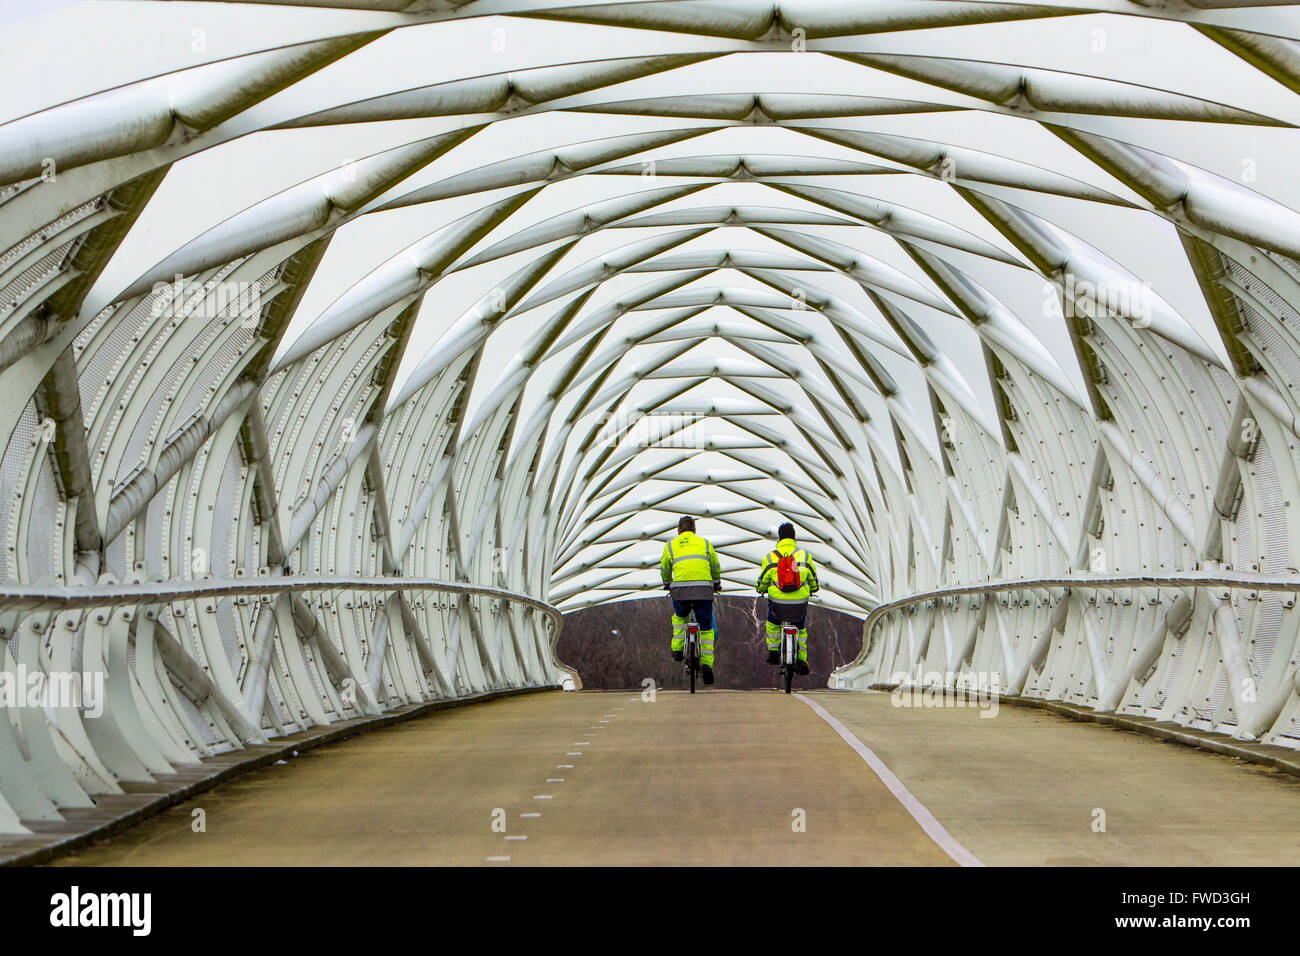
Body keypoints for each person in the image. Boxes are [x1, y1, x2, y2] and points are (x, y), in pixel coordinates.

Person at [660, 515, 722, 684]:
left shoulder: (671, 545)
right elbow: (715, 567)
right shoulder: (706, 544)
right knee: (707, 627)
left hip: (680, 592)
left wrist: (667, 583)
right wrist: (716, 584)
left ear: (678, 531)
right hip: (703, 591)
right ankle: (707, 664)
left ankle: (678, 650)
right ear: (695, 530)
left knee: (680, 617)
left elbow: (665, 567)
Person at [755, 520, 820, 675]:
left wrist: (761, 589)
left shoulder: (770, 558)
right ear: (794, 539)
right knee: (801, 629)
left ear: (779, 538)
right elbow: (813, 580)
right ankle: (802, 660)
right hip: (799, 603)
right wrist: (813, 589)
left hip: (778, 603)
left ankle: (773, 652)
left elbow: (763, 582)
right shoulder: (804, 555)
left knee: (772, 622)